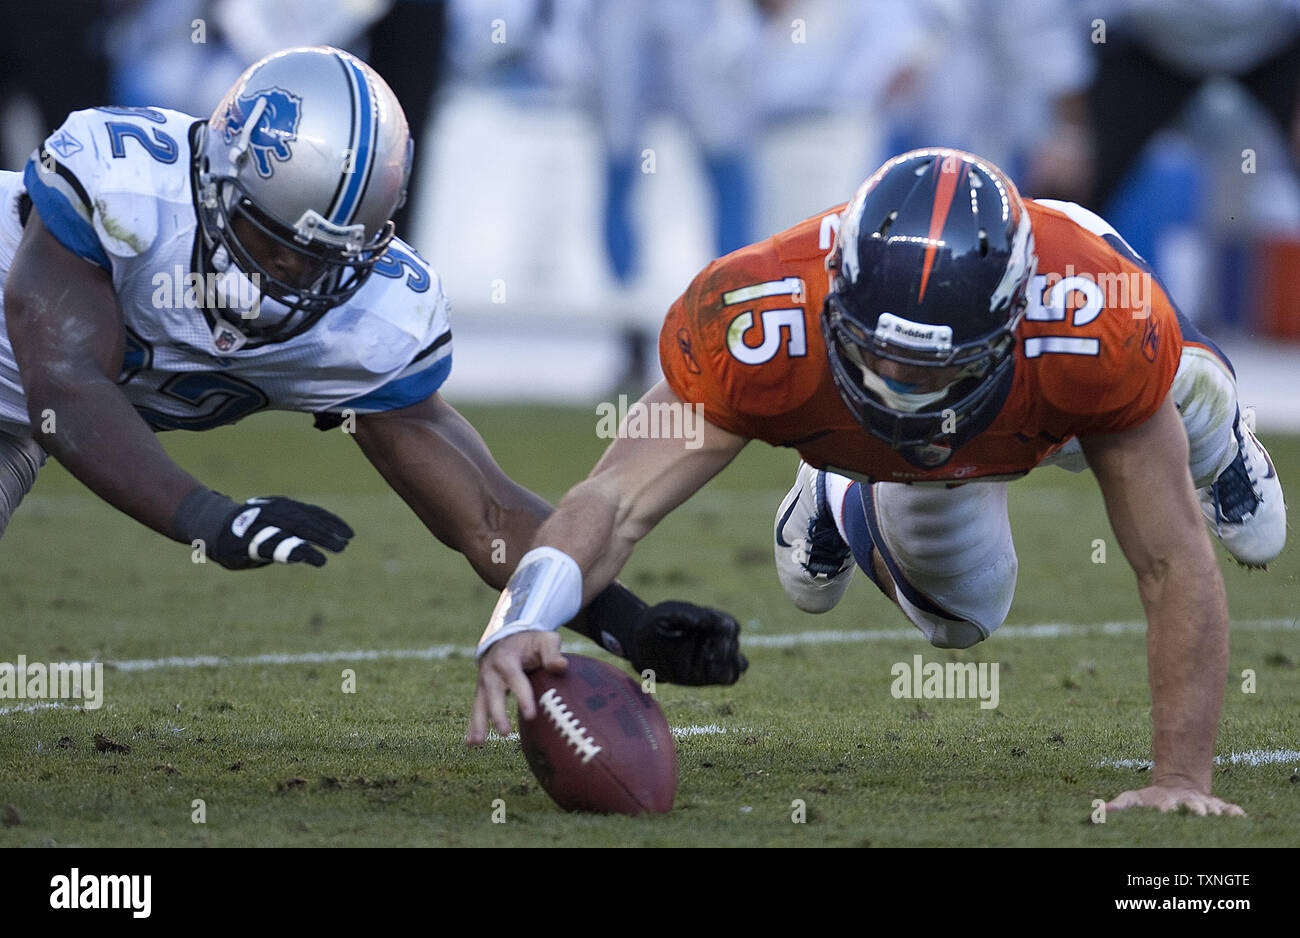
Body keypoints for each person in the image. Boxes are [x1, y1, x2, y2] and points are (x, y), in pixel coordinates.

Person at [468, 147, 1288, 817]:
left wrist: (1183, 781)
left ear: (1008, 320)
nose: (902, 392)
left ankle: (1220, 436)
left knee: (1182, 388)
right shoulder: (758, 315)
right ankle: (839, 489)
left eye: (931, 371)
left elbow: (1168, 562)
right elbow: (613, 500)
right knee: (963, 619)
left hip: (1051, 380)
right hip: (938, 447)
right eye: (880, 358)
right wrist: (524, 614)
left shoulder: (1086, 317)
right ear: (836, 298)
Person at [0, 46, 747, 699]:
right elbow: (66, 389)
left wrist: (626, 622)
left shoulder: (371, 314)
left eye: (325, 256)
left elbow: (485, 517)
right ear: (218, 184)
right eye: (274, 242)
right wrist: (208, 517)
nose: (294, 275)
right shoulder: (127, 185)